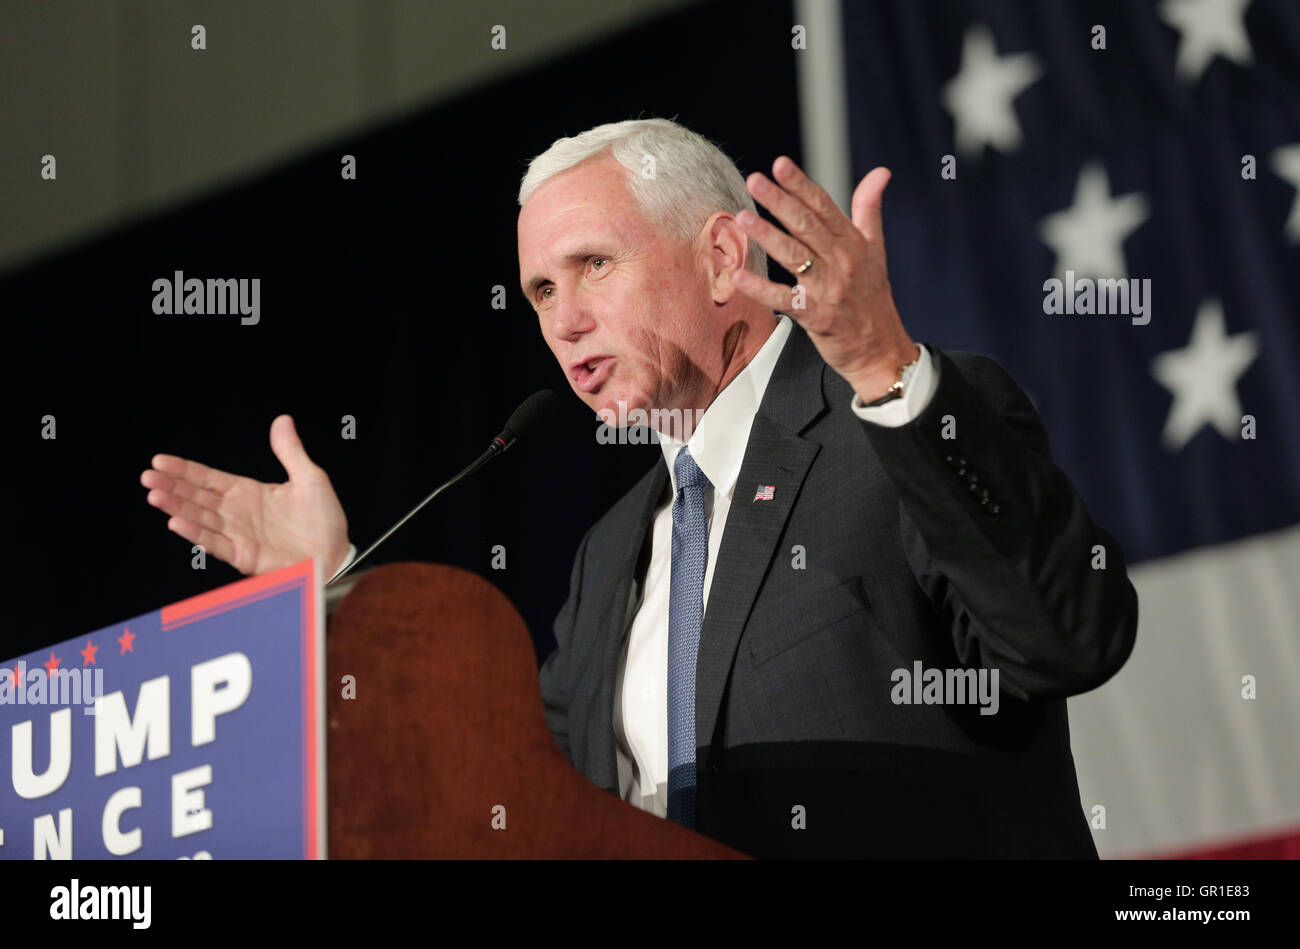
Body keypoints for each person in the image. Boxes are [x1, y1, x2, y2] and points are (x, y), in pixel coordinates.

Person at [142, 118, 1137, 858]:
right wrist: (338, 600)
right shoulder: (613, 550)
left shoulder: (896, 429)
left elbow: (1066, 635)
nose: (562, 319)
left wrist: (887, 371)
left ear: (720, 258)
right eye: (540, 291)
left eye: (592, 266)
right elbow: (504, 805)